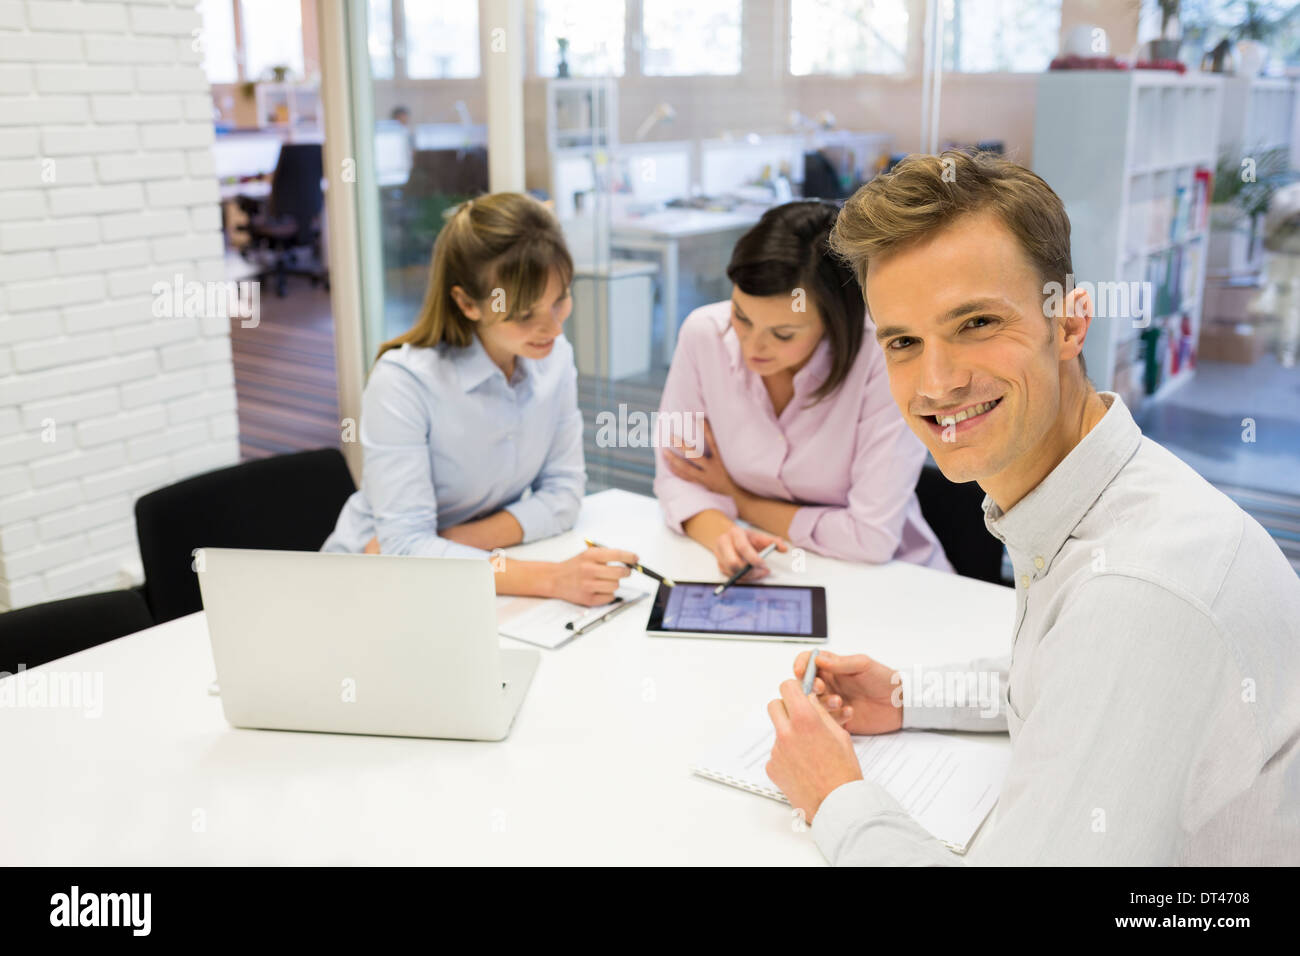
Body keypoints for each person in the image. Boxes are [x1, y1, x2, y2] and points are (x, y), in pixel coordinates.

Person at [763, 151, 1300, 864]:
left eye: (977, 323)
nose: (937, 382)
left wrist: (833, 795)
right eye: (903, 341)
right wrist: (911, 696)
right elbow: (1067, 676)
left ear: (1071, 326)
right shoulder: (1098, 502)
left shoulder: (1138, 591)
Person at [322, 192, 636, 606]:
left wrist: (445, 544)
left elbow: (563, 493)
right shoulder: (404, 383)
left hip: (459, 571)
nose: (554, 329)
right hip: (367, 584)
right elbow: (401, 554)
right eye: (525, 314)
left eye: (559, 301)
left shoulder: (553, 358)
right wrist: (553, 579)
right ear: (467, 303)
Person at [653, 200, 950, 583]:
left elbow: (869, 538)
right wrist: (724, 537)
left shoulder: (882, 357)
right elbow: (678, 474)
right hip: (765, 569)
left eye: (783, 334)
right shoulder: (703, 334)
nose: (753, 347)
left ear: (834, 320)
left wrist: (739, 499)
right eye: (742, 317)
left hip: (890, 582)